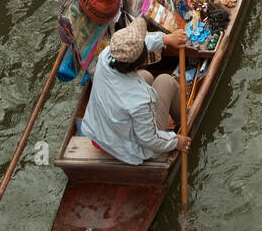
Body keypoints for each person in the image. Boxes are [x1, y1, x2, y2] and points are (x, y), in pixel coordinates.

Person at [80, 17, 192, 165]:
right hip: (129, 149)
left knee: (145, 76)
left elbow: (139, 46)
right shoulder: (141, 99)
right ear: (141, 59)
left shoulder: (106, 57)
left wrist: (164, 39)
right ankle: (185, 121)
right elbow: (149, 139)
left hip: (99, 135)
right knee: (165, 81)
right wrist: (175, 141)